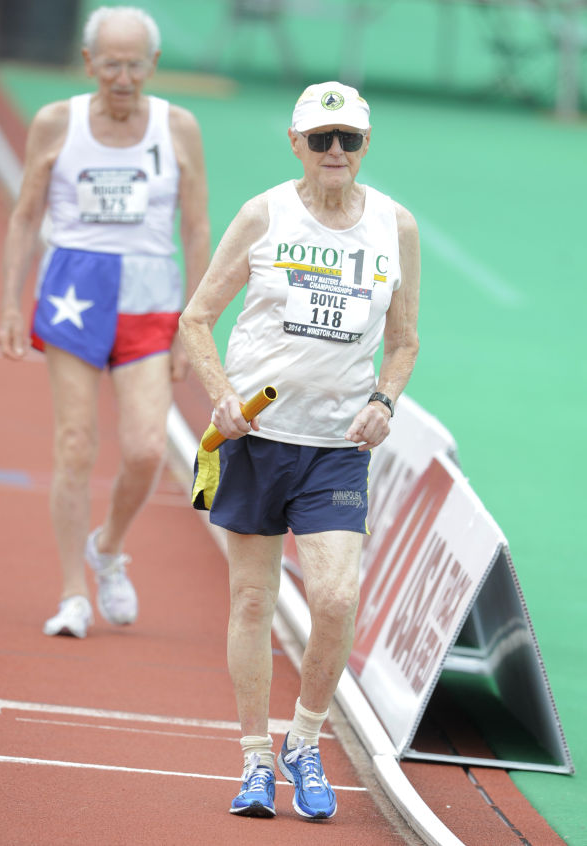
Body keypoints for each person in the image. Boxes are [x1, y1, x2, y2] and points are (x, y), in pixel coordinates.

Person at [179, 81, 420, 820]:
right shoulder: (265, 215)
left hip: (335, 448)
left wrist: (384, 400)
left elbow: (405, 340)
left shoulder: (393, 226)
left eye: (348, 138)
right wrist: (221, 394)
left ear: (366, 144)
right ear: (297, 145)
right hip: (256, 438)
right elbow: (197, 319)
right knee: (252, 599)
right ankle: (255, 759)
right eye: (322, 140)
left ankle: (305, 743)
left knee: (337, 597)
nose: (336, 152)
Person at [0, 6, 210, 639]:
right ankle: (71, 594)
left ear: (153, 65)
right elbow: (25, 215)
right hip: (75, 291)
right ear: (88, 63)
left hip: (149, 294)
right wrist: (11, 302)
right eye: (110, 63)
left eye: (134, 64)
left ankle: (108, 548)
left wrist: (192, 328)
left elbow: (197, 229)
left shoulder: (179, 127)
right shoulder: (56, 122)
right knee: (75, 443)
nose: (123, 77)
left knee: (146, 448)